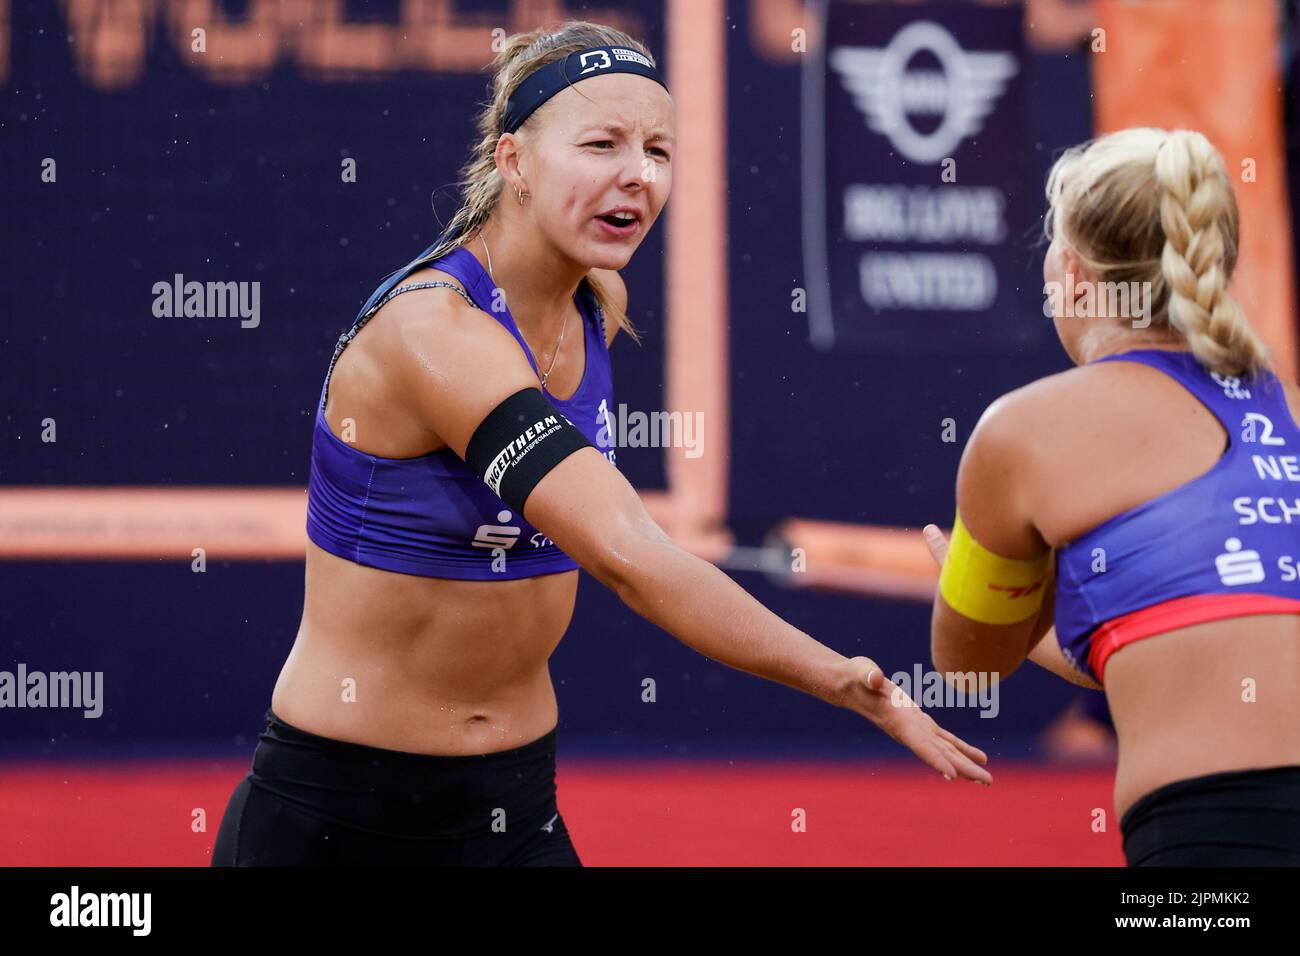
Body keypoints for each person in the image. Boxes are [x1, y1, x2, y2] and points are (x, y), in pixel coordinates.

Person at [212, 20, 990, 868]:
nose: (638, 174)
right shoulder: (434, 334)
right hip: (335, 816)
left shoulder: (598, 303)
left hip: (513, 808)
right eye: (601, 144)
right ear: (513, 163)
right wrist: (839, 678)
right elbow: (628, 556)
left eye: (658, 149)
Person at [923, 127, 1300, 866]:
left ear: (1070, 269)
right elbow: (1188, 653)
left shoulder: (1022, 431)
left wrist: (968, 588)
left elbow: (969, 664)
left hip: (1214, 838)